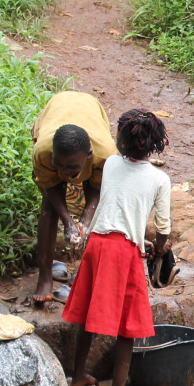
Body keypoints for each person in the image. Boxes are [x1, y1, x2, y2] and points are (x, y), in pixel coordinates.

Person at [61, 109, 172, 386]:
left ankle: (78, 375)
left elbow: (120, 205)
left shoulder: (110, 163)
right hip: (124, 252)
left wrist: (139, 235)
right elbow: (163, 228)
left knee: (86, 313)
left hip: (97, 245)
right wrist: (159, 247)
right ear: (152, 146)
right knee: (128, 324)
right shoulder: (159, 179)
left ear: (122, 141)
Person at [31, 91, 117, 305]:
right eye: (58, 165)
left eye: (72, 168)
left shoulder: (106, 157)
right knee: (48, 209)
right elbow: (50, 186)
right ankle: (44, 276)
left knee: (93, 193)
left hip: (90, 108)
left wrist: (85, 223)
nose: (64, 173)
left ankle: (83, 274)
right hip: (57, 108)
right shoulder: (42, 150)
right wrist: (68, 221)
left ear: (88, 154)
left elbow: (99, 190)